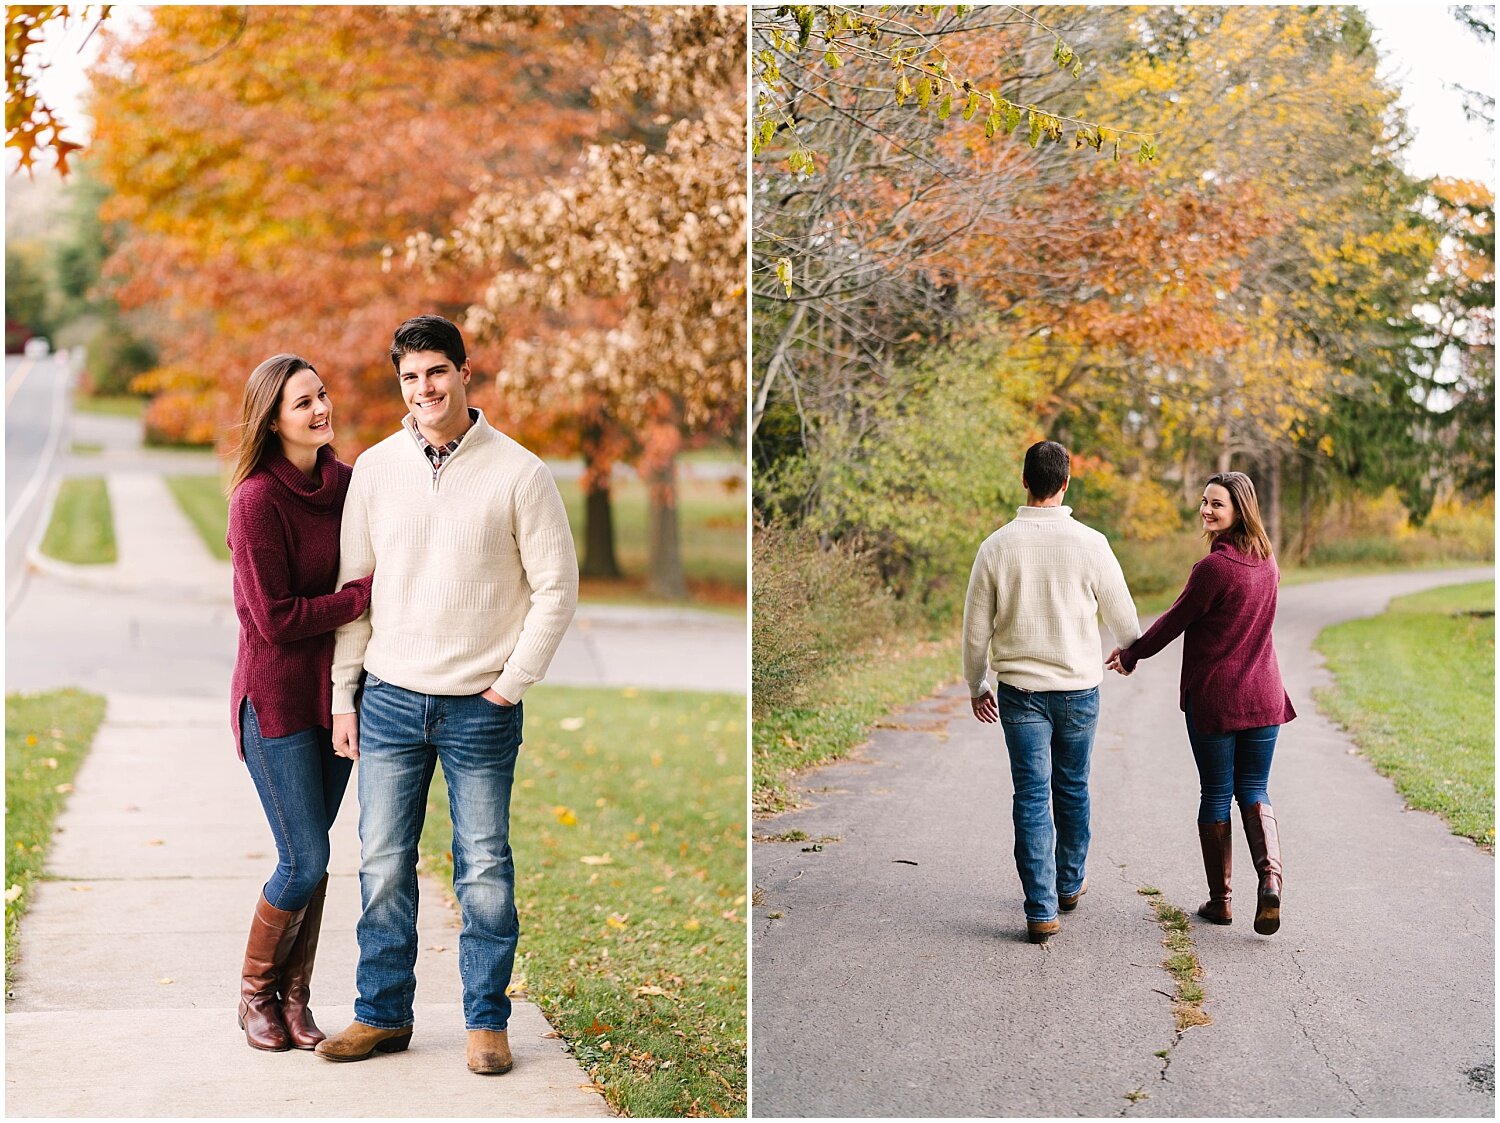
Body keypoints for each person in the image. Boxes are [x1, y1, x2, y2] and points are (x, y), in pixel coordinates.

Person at [315, 315, 579, 1075]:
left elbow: (555, 590)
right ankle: (381, 1013)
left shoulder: (520, 473)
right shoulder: (375, 468)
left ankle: (485, 1021)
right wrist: (344, 697)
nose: (424, 389)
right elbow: (354, 594)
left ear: (467, 372)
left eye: (436, 372)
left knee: (485, 866)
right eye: (409, 377)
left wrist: (508, 686)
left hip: (479, 707)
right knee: (383, 864)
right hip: (391, 699)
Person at [226, 354, 373, 1051]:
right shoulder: (255, 500)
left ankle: (295, 1001)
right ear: (273, 419)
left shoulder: (349, 484)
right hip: (277, 703)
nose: (320, 409)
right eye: (302, 403)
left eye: (322, 394)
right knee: (303, 858)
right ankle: (254, 994)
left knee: (315, 857)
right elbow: (276, 618)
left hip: (336, 699)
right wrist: (356, 599)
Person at [963, 440, 1141, 944]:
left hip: (1019, 692)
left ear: (1024, 481)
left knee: (1032, 796)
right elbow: (1126, 624)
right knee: (1072, 786)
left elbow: (976, 631)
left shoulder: (995, 546)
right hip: (1079, 690)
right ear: (1067, 482)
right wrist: (1126, 651)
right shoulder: (1092, 543)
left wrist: (977, 685)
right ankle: (1068, 884)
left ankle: (1041, 909)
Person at [1107, 471, 1295, 936]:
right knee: (1254, 788)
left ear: (1239, 510)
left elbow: (1174, 620)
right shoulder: (1267, 562)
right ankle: (1270, 880)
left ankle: (1221, 901)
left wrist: (1132, 654)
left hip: (1216, 699)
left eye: (1218, 505)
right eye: (1205, 502)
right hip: (1264, 695)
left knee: (1216, 793)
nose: (1207, 510)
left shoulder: (1214, 569)